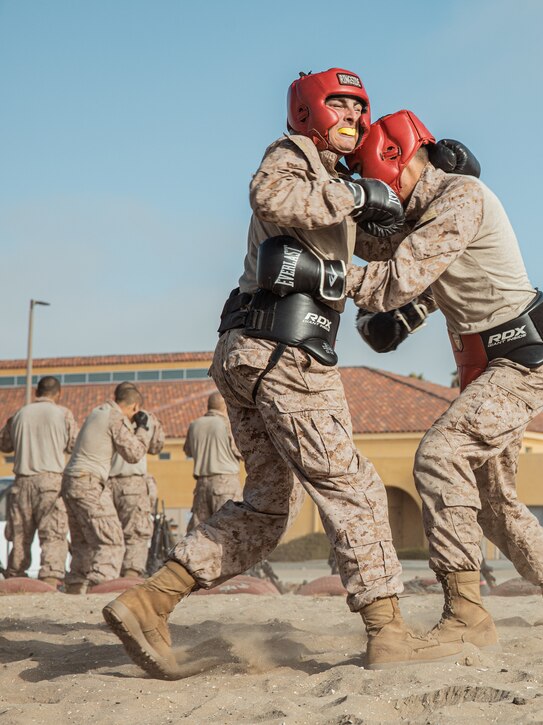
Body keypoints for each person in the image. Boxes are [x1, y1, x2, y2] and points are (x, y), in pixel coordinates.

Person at [103, 69, 465, 679]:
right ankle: (389, 634)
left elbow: (382, 264)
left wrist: (422, 194)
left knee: (269, 509)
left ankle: (149, 601)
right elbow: (271, 198)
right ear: (307, 111)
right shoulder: (291, 156)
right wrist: (357, 198)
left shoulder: (335, 185)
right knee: (352, 487)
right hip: (286, 355)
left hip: (254, 354)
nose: (352, 117)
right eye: (340, 105)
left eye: (359, 107)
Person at [349, 110, 543, 653]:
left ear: (392, 160)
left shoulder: (459, 198)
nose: (371, 192)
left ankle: (466, 615)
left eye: (369, 178)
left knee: (440, 456)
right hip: (487, 370)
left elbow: (394, 280)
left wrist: (328, 276)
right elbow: (366, 243)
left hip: (522, 361)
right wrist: (326, 210)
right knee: (494, 504)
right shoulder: (419, 215)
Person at [63, 384, 152, 593]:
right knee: (112, 541)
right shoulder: (115, 417)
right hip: (89, 482)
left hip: (70, 481)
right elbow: (134, 453)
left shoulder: (97, 412)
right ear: (134, 407)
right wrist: (142, 429)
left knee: (84, 541)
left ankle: (75, 588)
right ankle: (100, 591)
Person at [0, 376, 78, 586]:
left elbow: (4, 444)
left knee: (20, 534)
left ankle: (16, 577)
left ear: (36, 391)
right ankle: (51, 576)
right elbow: (73, 445)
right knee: (53, 532)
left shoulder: (19, 414)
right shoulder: (63, 414)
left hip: (22, 481)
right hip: (51, 481)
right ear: (58, 393)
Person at [107, 383, 165, 578]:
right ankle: (130, 578)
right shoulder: (145, 417)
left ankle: (108, 577)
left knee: (109, 535)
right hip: (132, 482)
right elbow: (157, 446)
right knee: (136, 534)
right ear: (135, 404)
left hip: (105, 484)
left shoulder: (105, 416)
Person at [183, 393, 243, 532]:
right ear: (225, 406)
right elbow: (241, 451)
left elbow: (188, 451)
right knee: (229, 531)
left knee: (200, 533)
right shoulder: (227, 424)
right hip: (225, 484)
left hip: (202, 485)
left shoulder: (194, 425)